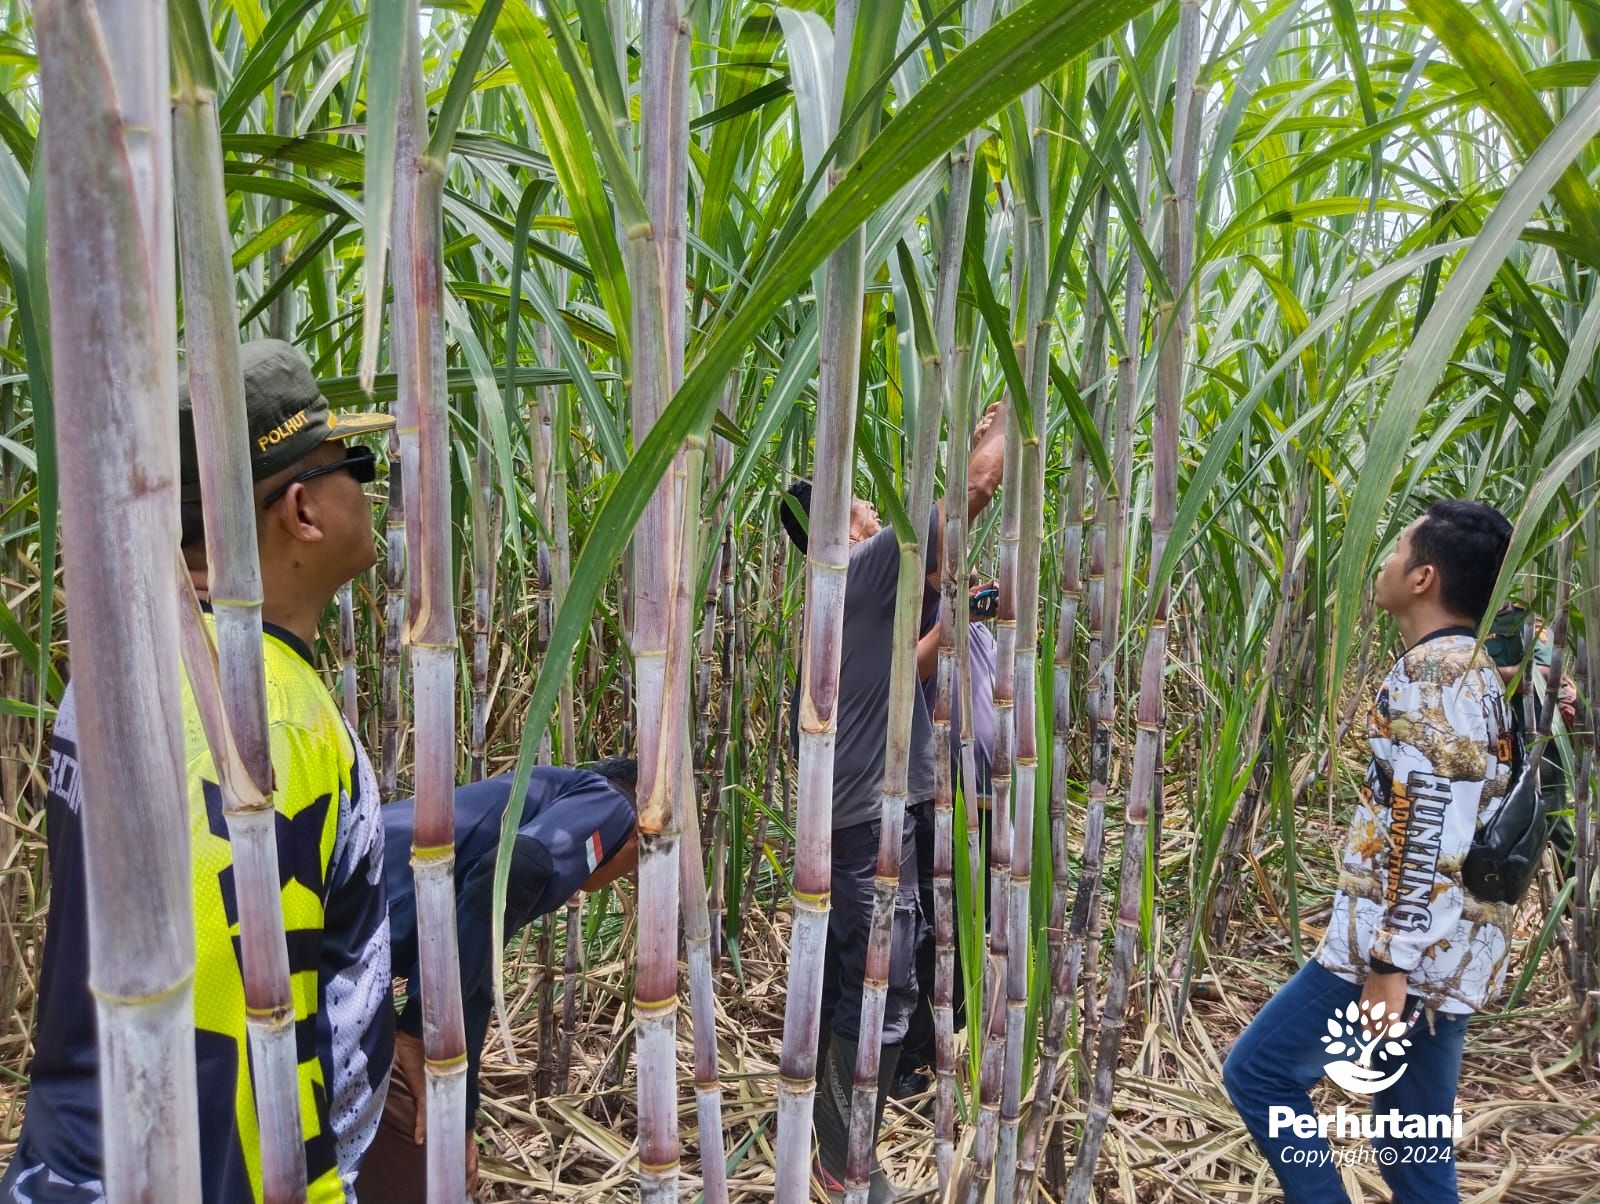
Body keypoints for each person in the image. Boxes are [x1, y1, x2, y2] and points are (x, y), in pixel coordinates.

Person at [4, 340, 396, 1203]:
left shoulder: (113, 669)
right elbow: (271, 1028)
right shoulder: (270, 726)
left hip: (64, 1164)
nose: (368, 488)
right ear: (302, 511)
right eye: (353, 466)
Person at [1223, 500, 1520, 1204]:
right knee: (1412, 1151)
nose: (1380, 564)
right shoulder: (1471, 670)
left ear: (1423, 578)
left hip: (1400, 956)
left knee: (1259, 1073)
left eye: (1393, 553)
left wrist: (1390, 964)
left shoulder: (1434, 678)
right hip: (1446, 951)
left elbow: (1427, 834)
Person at [779, 402, 1006, 1203]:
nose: (875, 507)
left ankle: (830, 1150)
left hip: (869, 813)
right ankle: (845, 1166)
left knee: (862, 982)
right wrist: (1002, 425)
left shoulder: (847, 596)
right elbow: (969, 496)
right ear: (840, 528)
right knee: (878, 987)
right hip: (866, 822)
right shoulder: (867, 568)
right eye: (858, 502)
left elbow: (929, 637)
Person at [355, 761, 639, 1203]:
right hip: (334, 943)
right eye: (637, 868)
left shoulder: (543, 794)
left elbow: (470, 976)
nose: (617, 881)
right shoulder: (614, 804)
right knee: (420, 1154)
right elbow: (517, 870)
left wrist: (464, 1116)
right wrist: (415, 1031)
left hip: (324, 934)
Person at [897, 578, 999, 1096]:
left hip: (997, 798)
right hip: (946, 799)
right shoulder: (900, 598)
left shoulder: (957, 596)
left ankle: (967, 1040)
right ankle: (922, 1057)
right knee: (938, 933)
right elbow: (900, 676)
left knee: (981, 928)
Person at [1484, 603, 1578, 866]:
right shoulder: (1470, 619)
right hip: (1491, 736)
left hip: (1538, 734)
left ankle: (1571, 898)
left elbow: (1548, 672)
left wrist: (1489, 675)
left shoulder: (1525, 619)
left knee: (1550, 815)